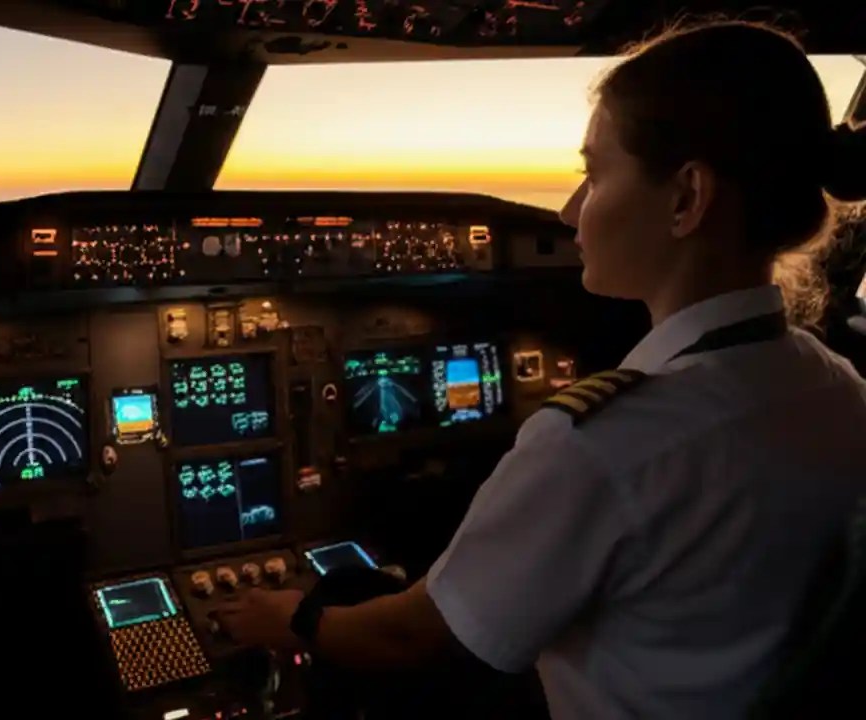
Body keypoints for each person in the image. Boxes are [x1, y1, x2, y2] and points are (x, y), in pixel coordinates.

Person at [218, 20, 866, 719]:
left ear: (686, 198)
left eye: (593, 175)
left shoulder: (606, 444)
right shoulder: (838, 389)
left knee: (350, 608)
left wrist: (295, 619)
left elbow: (410, 640)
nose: (569, 210)